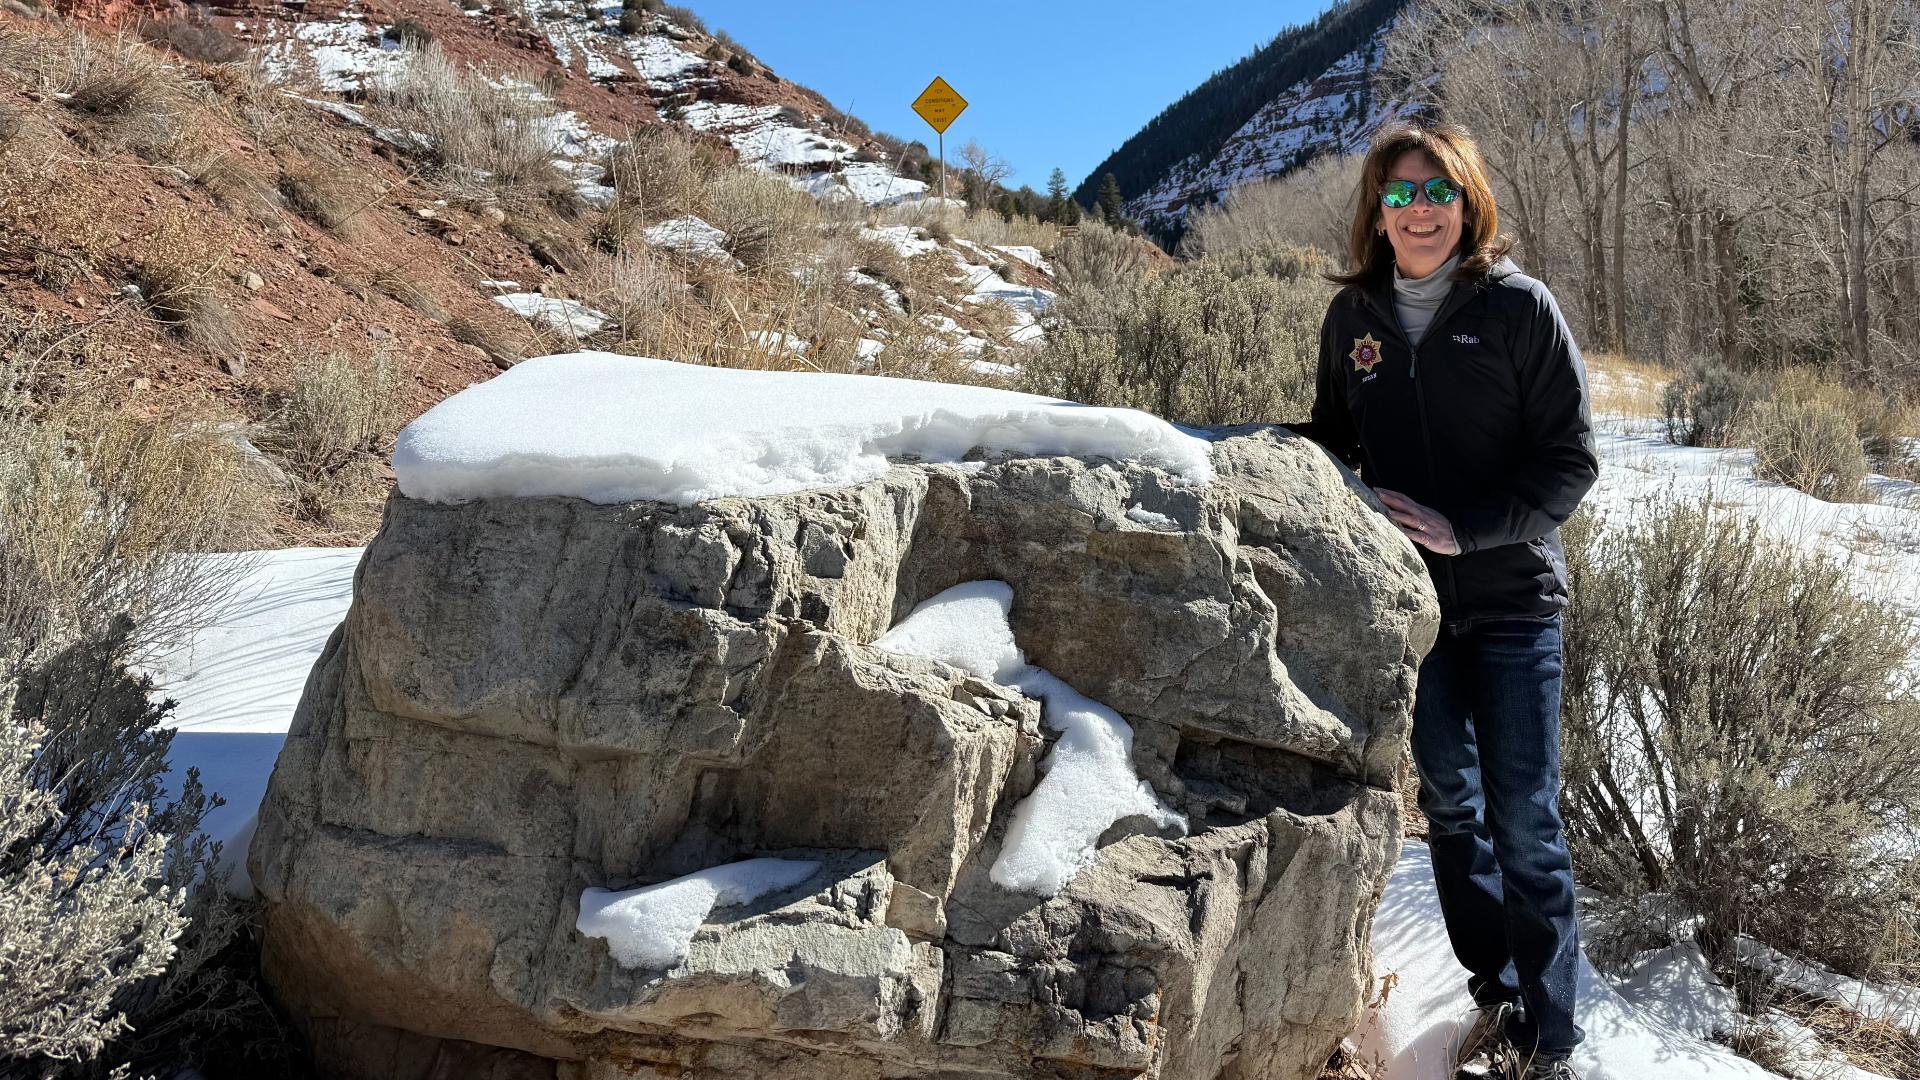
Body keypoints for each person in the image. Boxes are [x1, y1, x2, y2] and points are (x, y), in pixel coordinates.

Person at [1285, 120, 1599, 1080]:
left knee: (1526, 820)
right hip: (1410, 610)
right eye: (1400, 194)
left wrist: (1468, 529)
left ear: (1468, 202)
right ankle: (1497, 995)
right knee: (1452, 807)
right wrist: (1257, 455)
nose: (1419, 210)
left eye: (1437, 192)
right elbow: (1335, 436)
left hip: (1512, 603)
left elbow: (1570, 462)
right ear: (1377, 213)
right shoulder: (1354, 317)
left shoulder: (1519, 308)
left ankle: (1551, 1041)